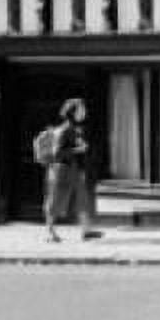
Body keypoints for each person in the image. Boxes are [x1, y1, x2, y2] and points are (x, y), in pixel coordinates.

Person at [43, 97, 101, 243]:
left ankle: (86, 231)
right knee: (56, 201)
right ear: (73, 112)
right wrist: (78, 149)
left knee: (83, 199)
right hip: (61, 170)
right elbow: (57, 153)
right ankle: (50, 232)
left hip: (74, 170)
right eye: (81, 109)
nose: (84, 111)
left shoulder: (75, 129)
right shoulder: (64, 130)